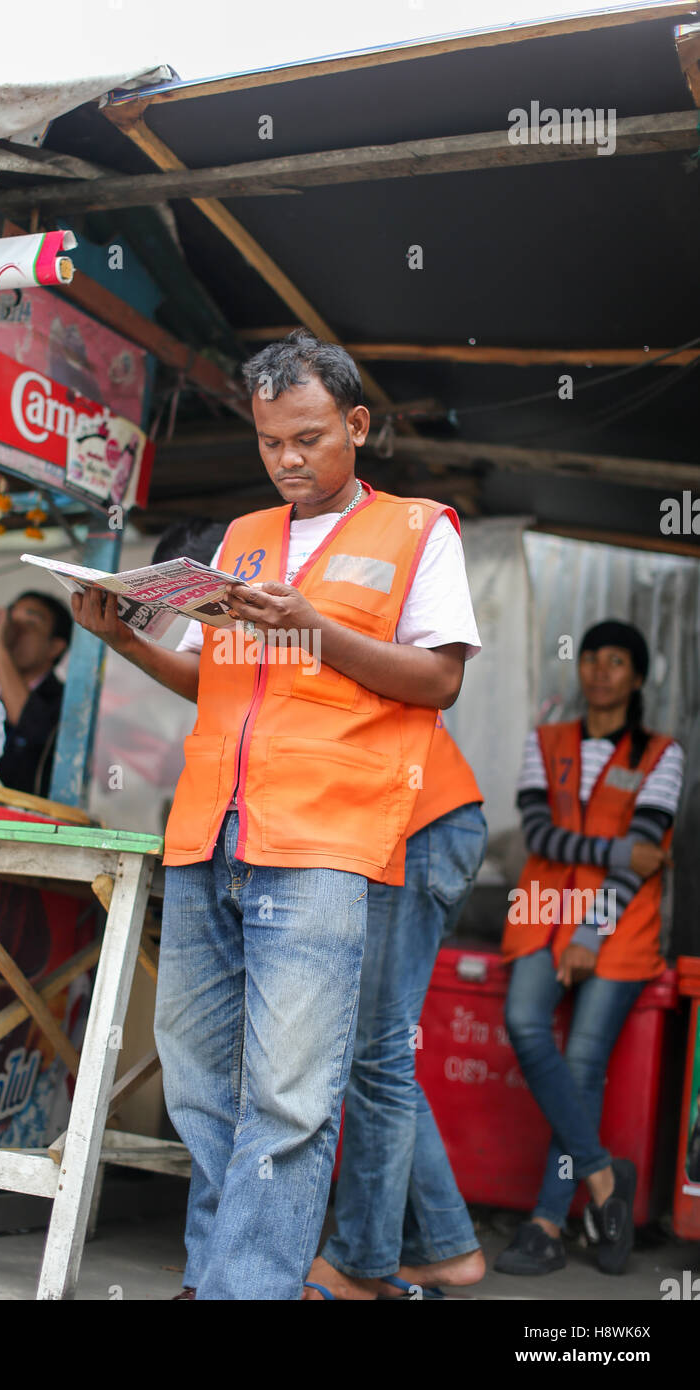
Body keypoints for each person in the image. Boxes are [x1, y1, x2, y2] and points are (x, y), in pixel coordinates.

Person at [72, 328, 475, 1301]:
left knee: (291, 1095)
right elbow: (219, 684)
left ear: (356, 423)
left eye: (306, 438)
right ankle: (221, 1273)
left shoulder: (419, 529)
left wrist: (315, 628)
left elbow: (438, 680)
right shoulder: (242, 536)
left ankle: (247, 1286)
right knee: (204, 1084)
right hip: (211, 831)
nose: (288, 460)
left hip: (325, 840)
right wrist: (120, 638)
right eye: (269, 443)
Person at [495, 620, 684, 1277]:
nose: (600, 671)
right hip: (542, 910)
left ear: (636, 677)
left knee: (581, 1062)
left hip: (620, 921)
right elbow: (540, 834)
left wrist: (589, 930)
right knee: (523, 1021)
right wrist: (609, 849)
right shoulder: (544, 742)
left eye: (616, 662)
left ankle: (546, 1224)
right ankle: (604, 1178)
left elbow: (645, 860)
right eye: (591, 660)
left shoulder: (662, 753)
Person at [304, 721, 488, 1300]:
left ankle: (363, 1261)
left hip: (412, 825)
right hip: (430, 820)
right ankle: (448, 1248)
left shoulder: (300, 631)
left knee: (378, 1056)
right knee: (382, 1058)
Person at [0, 590, 72, 798]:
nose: (15, 630)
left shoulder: (67, 702)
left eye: (31, 624)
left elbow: (30, 726)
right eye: (13, 620)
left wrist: (0, 648)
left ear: (54, 647)